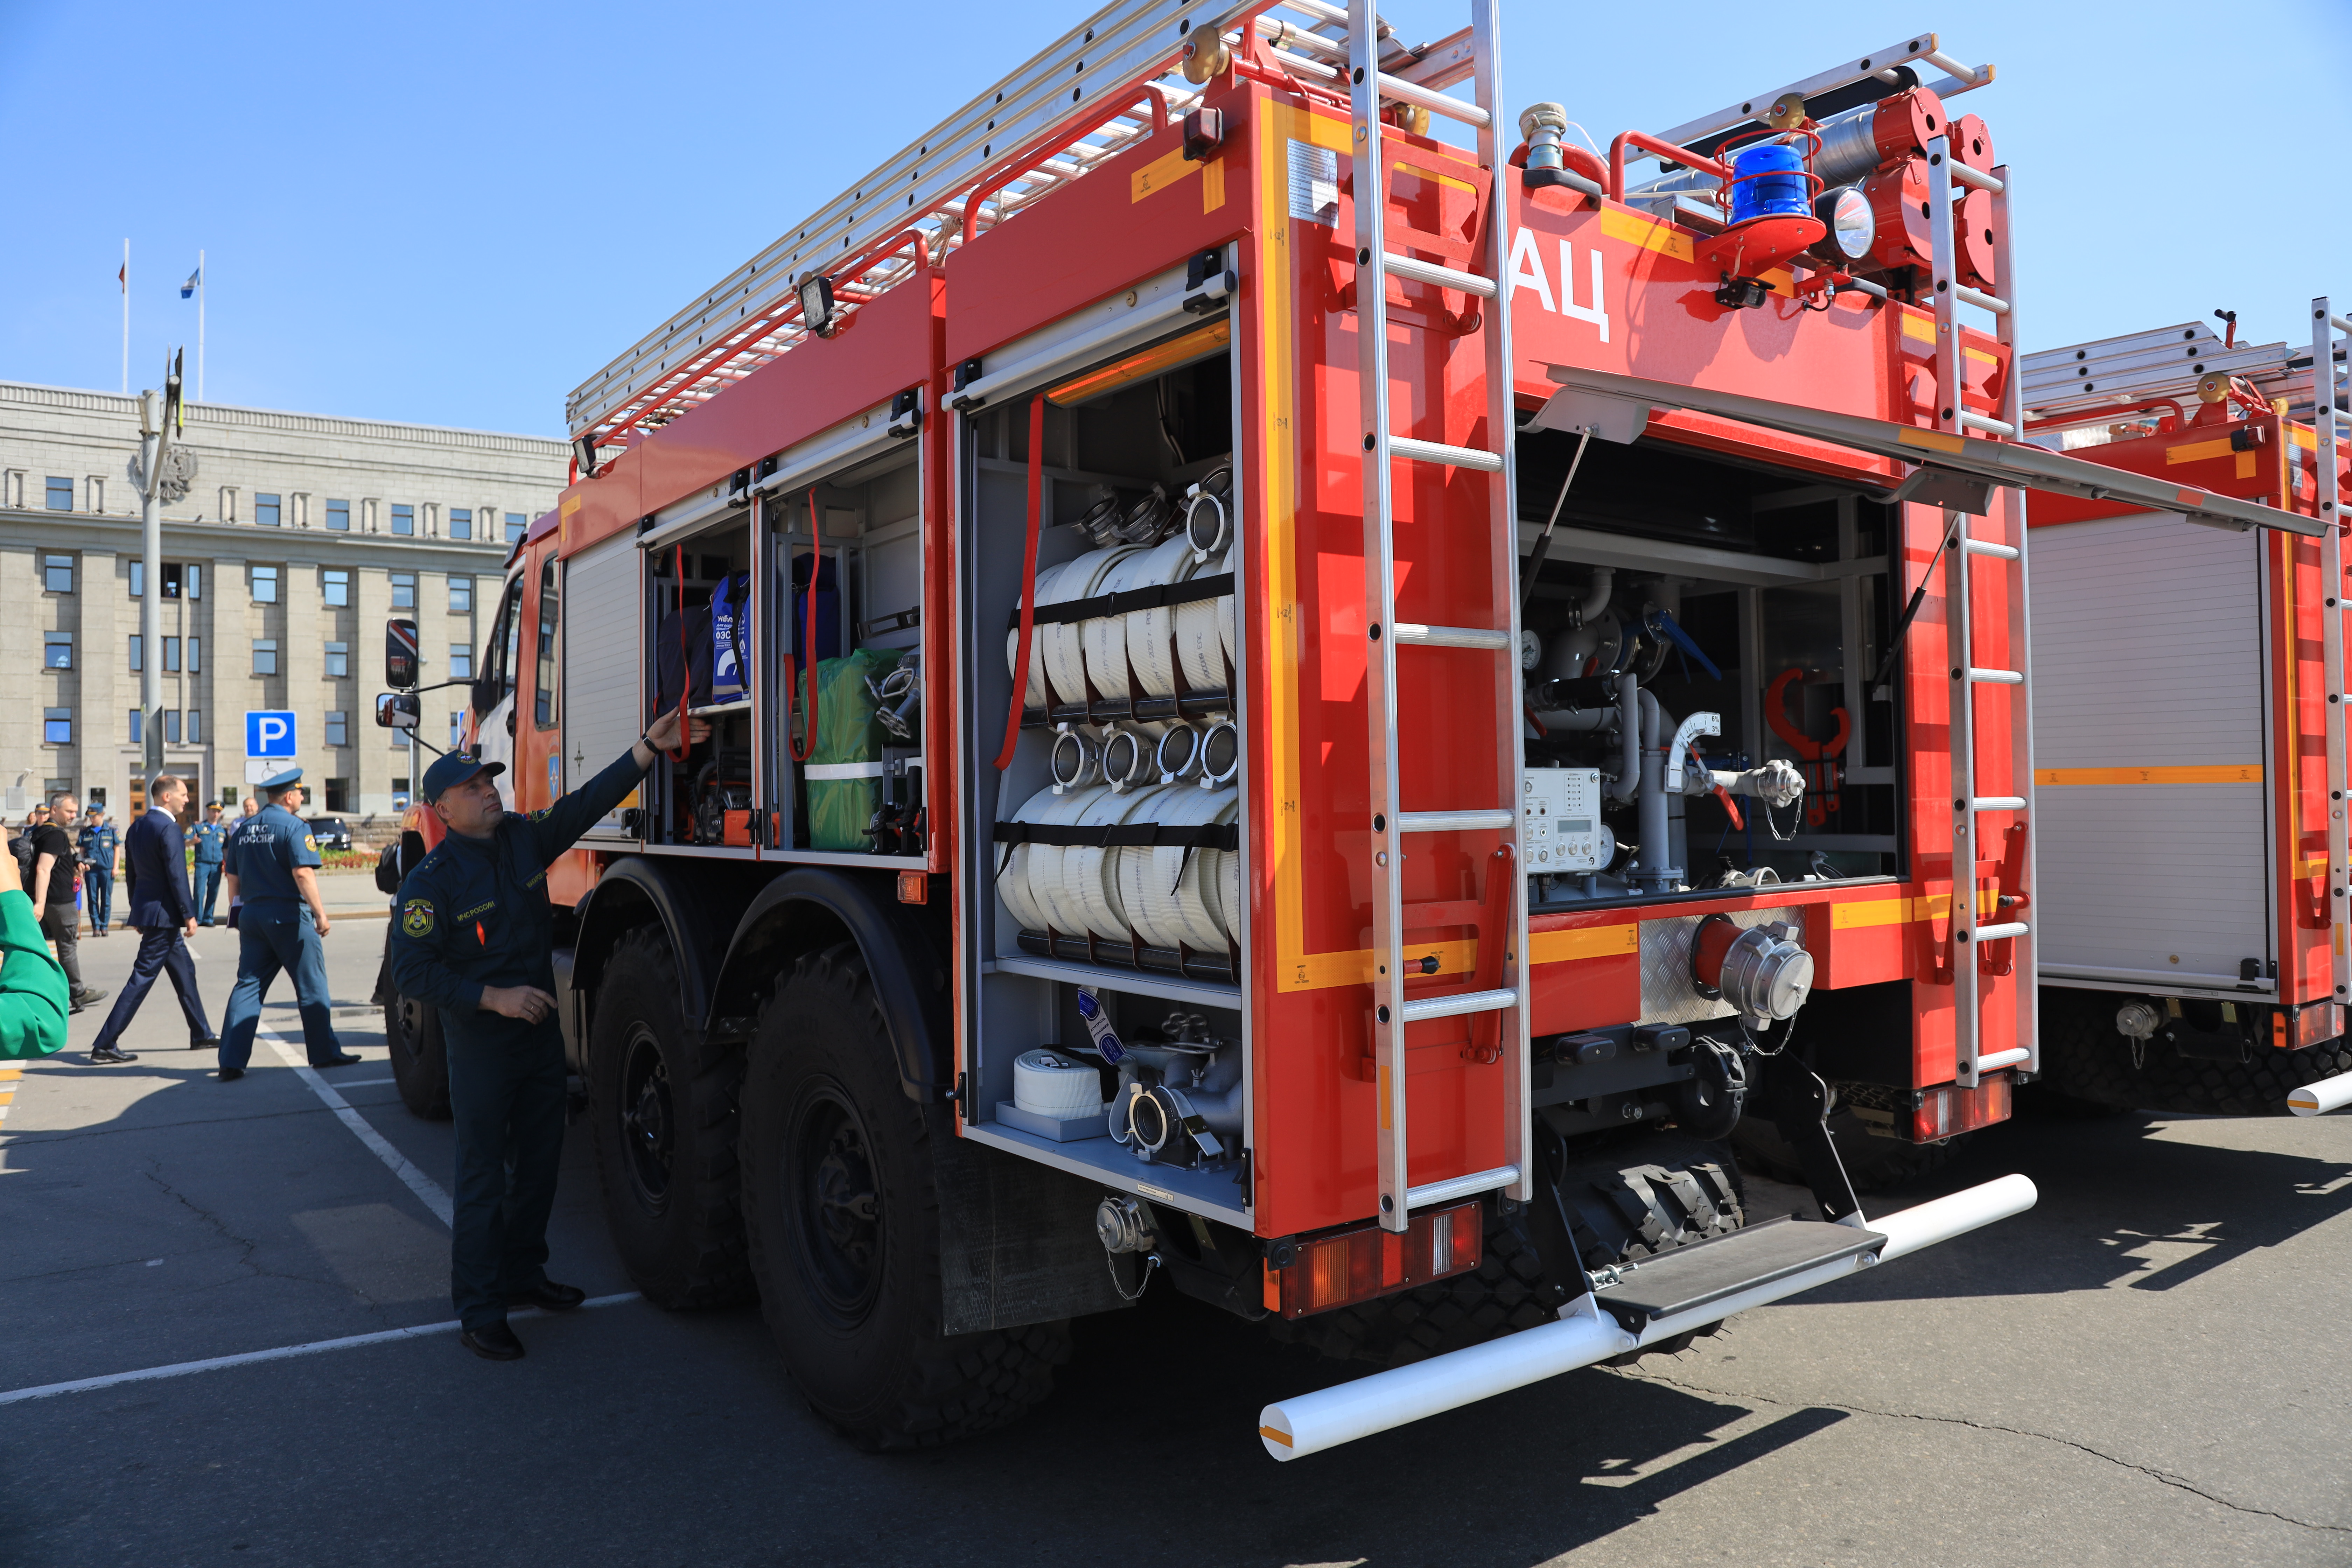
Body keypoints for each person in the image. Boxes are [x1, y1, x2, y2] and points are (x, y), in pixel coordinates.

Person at [390, 707, 703, 1362]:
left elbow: (588, 803)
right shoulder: (430, 884)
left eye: (490, 781)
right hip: (481, 1046)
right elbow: (411, 972)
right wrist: (492, 998)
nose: (490, 790)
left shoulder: (524, 840)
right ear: (443, 810)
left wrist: (649, 745)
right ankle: (480, 1307)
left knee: (537, 1168)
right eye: (474, 787)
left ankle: (524, 1275)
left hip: (537, 1044)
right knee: (482, 1177)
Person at [216, 768, 356, 1079]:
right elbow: (303, 873)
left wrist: (236, 911)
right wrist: (320, 913)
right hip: (288, 917)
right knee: (312, 985)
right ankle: (324, 1053)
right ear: (289, 796)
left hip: (252, 916)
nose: (303, 798)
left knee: (248, 986)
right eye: (301, 793)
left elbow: (233, 878)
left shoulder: (245, 829)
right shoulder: (295, 827)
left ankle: (231, 1061)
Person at [85, 776, 217, 1066]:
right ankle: (105, 1043)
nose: (187, 799)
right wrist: (189, 914)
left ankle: (201, 1033)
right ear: (166, 797)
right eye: (183, 794)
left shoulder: (137, 828)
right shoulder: (168, 828)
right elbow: (177, 875)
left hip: (152, 912)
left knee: (185, 971)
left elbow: (132, 874)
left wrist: (137, 911)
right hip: (165, 916)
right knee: (142, 977)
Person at [29, 794, 106, 1018]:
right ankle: (78, 992)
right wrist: (41, 904)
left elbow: (57, 860)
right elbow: (43, 869)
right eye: (69, 812)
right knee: (67, 947)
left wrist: (75, 862)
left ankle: (52, 991)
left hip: (51, 900)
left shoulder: (41, 831)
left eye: (75, 812)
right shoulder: (55, 834)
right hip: (59, 902)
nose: (74, 816)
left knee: (49, 949)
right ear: (54, 809)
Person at [0, 818, 69, 1060]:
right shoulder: (54, 835)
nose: (14, 861)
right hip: (57, 901)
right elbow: (43, 1025)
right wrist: (13, 900)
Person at [78, 808, 118, 937]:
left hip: (107, 869)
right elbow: (82, 851)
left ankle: (104, 926)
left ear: (102, 815)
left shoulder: (112, 830)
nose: (92, 819)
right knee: (93, 899)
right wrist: (81, 868)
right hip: (91, 871)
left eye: (94, 817)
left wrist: (116, 867)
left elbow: (116, 849)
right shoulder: (86, 832)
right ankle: (96, 926)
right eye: (90, 817)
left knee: (106, 899)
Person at [190, 802, 229, 926]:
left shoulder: (222, 830)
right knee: (199, 891)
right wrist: (192, 841)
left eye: (218, 812)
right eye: (213, 811)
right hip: (203, 864)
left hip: (217, 865)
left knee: (213, 892)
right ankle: (198, 918)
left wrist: (227, 863)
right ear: (208, 812)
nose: (216, 814)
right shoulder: (199, 827)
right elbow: (185, 839)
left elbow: (225, 848)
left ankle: (208, 918)